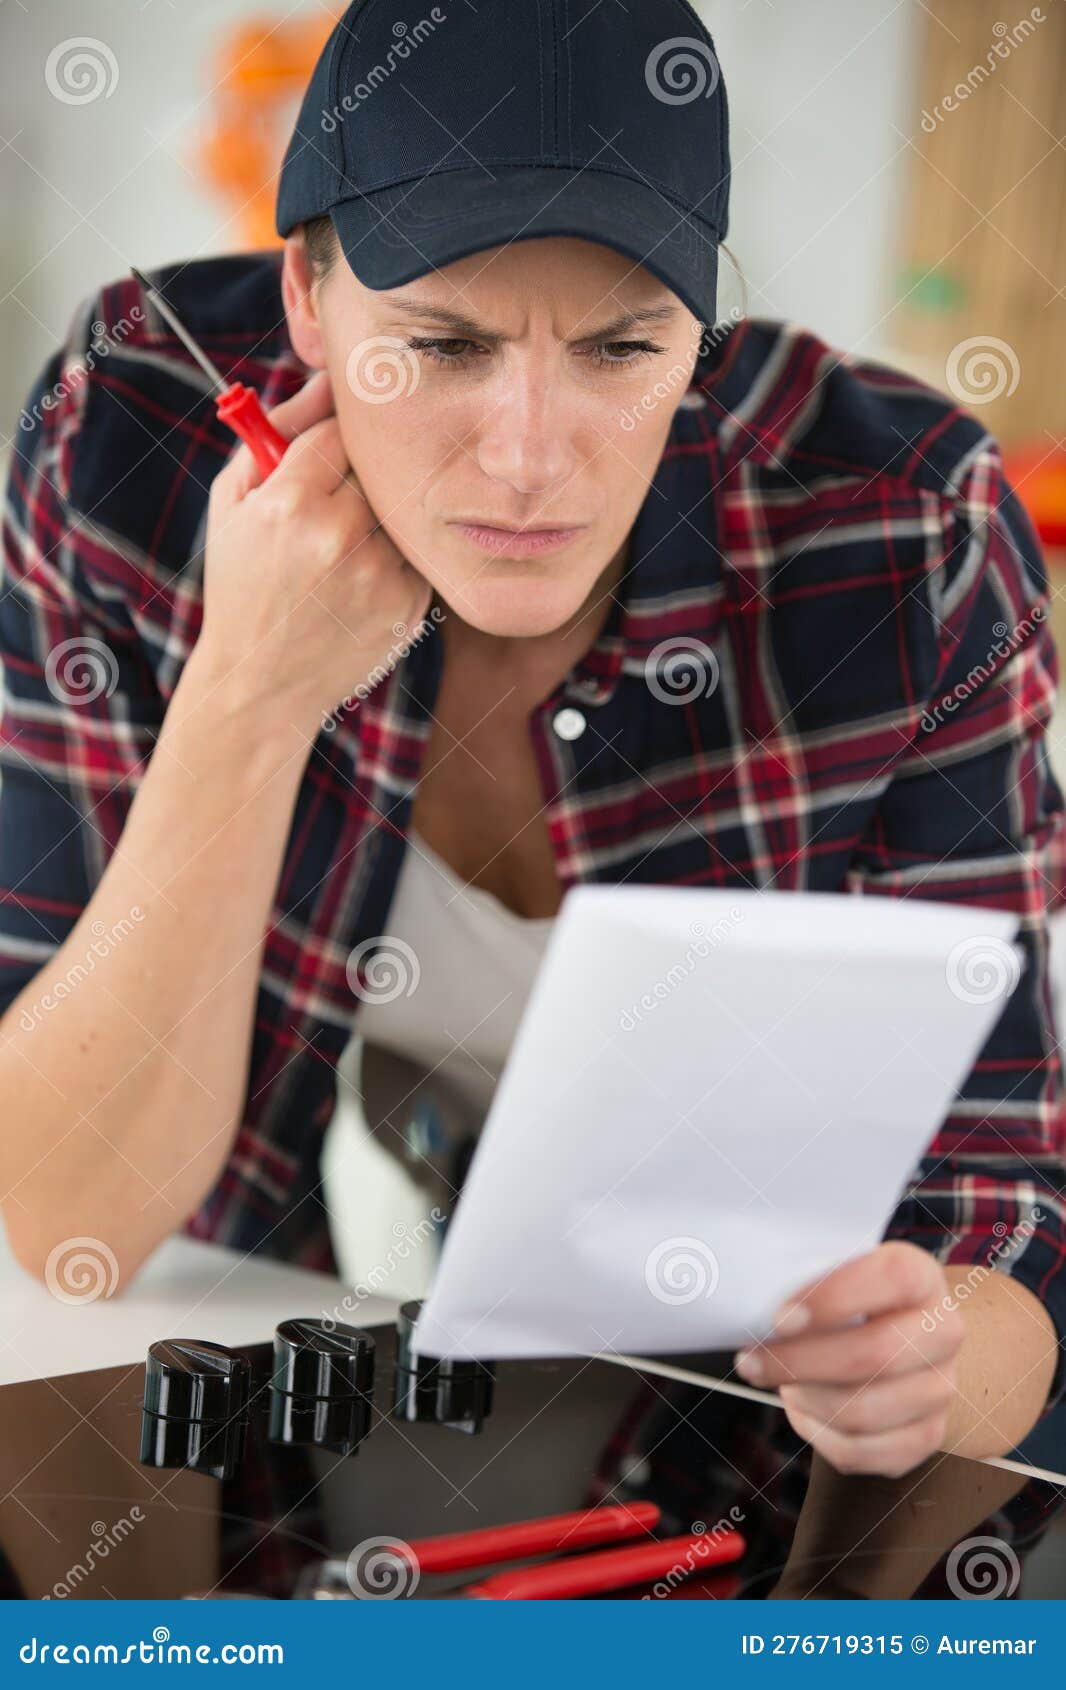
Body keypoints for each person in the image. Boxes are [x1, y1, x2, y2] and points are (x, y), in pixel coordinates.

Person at [0, 0, 1063, 1483]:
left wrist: (929, 1352)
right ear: (307, 301)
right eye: (439, 346)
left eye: (622, 347)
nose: (525, 458)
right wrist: (248, 691)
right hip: (304, 1384)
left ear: (701, 331)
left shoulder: (906, 528)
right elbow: (73, 1226)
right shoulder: (128, 437)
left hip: (770, 1413)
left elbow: (998, 1201)